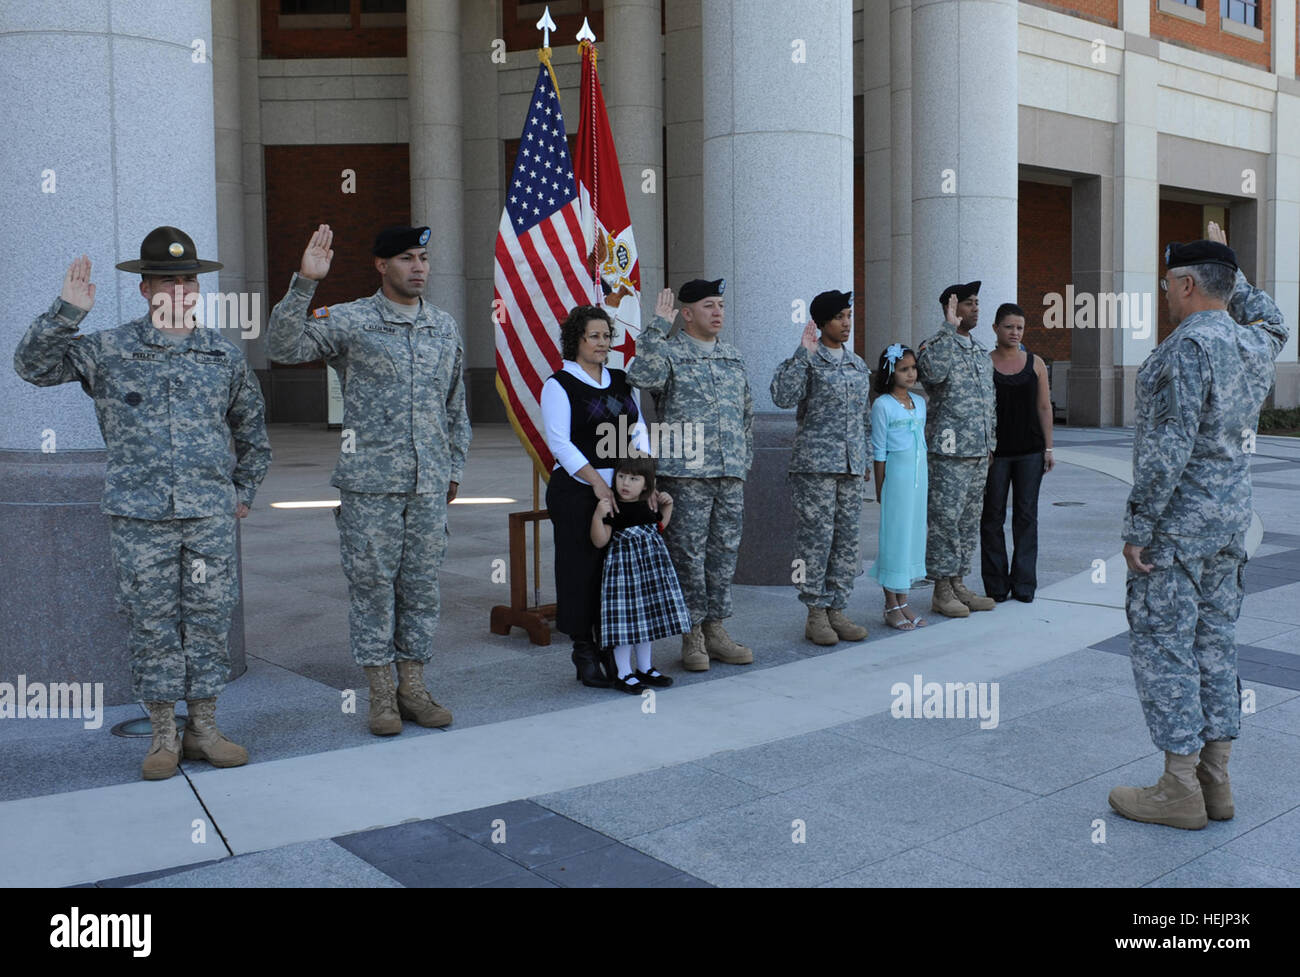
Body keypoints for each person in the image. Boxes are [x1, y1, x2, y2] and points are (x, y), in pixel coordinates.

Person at [13, 227, 271, 780]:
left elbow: (253, 430)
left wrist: (242, 492)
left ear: (197, 289)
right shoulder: (108, 350)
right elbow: (32, 369)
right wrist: (67, 312)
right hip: (140, 519)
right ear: (144, 288)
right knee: (152, 624)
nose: (179, 289)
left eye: (187, 280)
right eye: (166, 280)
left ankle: (204, 729)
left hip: (207, 518)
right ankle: (162, 736)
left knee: (207, 621)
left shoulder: (221, 354)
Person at [1109, 224, 1288, 830]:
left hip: (1178, 532)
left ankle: (1178, 788)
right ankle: (1217, 782)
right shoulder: (1252, 344)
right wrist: (1237, 274)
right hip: (1230, 527)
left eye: (1168, 285)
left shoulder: (1185, 349)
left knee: (1166, 649)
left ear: (1186, 284)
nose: (1165, 296)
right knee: (1215, 646)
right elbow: (1277, 322)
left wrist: (1137, 527)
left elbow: (1167, 450)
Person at [267, 224, 471, 736]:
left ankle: (414, 687)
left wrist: (454, 468)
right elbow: (283, 346)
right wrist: (305, 283)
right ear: (381, 266)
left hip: (428, 484)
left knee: (422, 588)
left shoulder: (443, 326)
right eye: (406, 258)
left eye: (423, 257)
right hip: (369, 484)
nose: (419, 267)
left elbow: (455, 405)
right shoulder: (352, 319)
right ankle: (381, 694)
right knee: (373, 588)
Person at [628, 280, 755, 671]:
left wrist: (743, 460)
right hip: (686, 476)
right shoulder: (668, 353)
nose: (717, 312)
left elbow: (746, 414)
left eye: (720, 305)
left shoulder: (732, 356)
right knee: (688, 557)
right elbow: (641, 377)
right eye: (707, 306)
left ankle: (717, 629)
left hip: (728, 473)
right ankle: (693, 635)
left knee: (723, 554)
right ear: (686, 314)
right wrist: (654, 328)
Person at [541, 305, 649, 688]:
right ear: (576, 341)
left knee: (613, 574)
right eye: (595, 336)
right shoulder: (559, 384)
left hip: (622, 492)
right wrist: (596, 483)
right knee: (579, 571)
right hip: (576, 492)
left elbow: (637, 431)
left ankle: (611, 647)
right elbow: (560, 442)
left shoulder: (622, 380)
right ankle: (583, 650)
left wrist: (643, 482)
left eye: (607, 336)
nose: (603, 343)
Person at [770, 289, 872, 645]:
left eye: (849, 317)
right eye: (839, 317)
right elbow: (782, 397)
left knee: (846, 541)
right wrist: (803, 353)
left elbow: (864, 418)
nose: (846, 324)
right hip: (815, 467)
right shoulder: (808, 361)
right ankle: (815, 612)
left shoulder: (857, 364)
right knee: (816, 541)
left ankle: (837, 609)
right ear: (821, 322)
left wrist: (866, 459)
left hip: (850, 466)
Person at [916, 281, 997, 617]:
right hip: (949, 453)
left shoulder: (980, 352)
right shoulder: (934, 346)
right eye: (968, 303)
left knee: (967, 522)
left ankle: (959, 582)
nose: (975, 308)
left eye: (977, 302)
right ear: (951, 309)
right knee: (945, 522)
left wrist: (990, 441)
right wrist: (948, 329)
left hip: (977, 451)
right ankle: (941, 590)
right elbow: (932, 375)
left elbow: (988, 402)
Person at [590, 455, 689, 692]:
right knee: (625, 624)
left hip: (650, 572)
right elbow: (600, 540)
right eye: (622, 476)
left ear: (647, 484)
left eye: (634, 479)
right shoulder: (614, 508)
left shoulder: (648, 504)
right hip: (624, 575)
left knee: (646, 622)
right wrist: (597, 515)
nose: (625, 483)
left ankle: (645, 667)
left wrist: (669, 506)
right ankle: (623, 672)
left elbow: (659, 527)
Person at [980, 303, 1054, 603]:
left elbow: (1044, 407)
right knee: (992, 517)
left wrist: (1049, 448)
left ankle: (1024, 584)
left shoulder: (1035, 363)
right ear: (996, 328)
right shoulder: (984, 363)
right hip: (996, 455)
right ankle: (996, 585)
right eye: (1009, 326)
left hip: (1030, 453)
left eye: (1019, 327)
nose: (1014, 332)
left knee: (1026, 517)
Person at [868, 343, 929, 630]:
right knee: (894, 539)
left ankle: (903, 601)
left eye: (913, 368)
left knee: (911, 538)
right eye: (904, 369)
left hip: (918, 480)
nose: (910, 374)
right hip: (897, 481)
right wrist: (881, 488)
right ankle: (890, 604)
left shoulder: (920, 403)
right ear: (891, 372)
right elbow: (879, 452)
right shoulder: (883, 405)